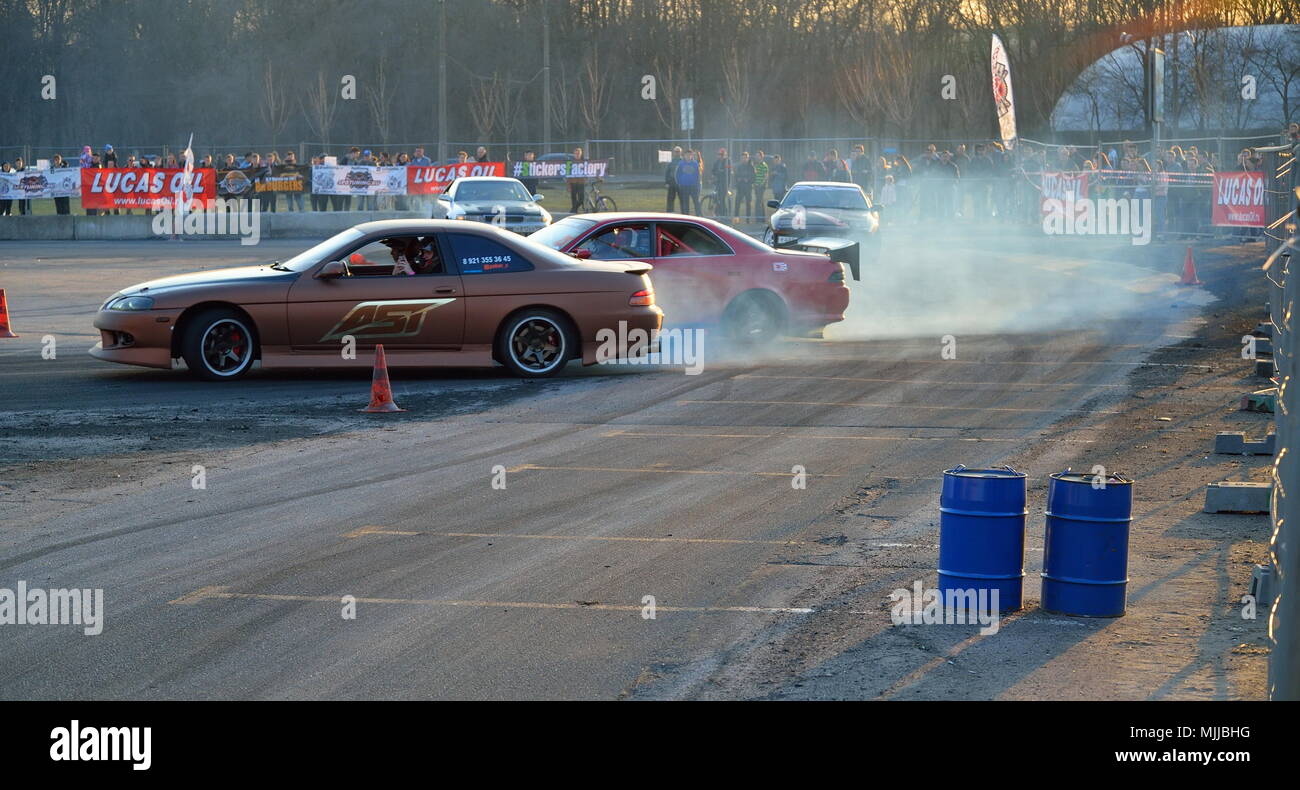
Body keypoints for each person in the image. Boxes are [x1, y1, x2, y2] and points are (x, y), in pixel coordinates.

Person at [675, 149, 702, 215]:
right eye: (686, 155)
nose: (688, 156)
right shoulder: (681, 163)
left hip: (693, 186)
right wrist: (679, 183)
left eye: (690, 155)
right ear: (684, 155)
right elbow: (677, 174)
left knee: (696, 202)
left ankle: (698, 216)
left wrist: (697, 184)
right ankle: (686, 217)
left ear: (692, 156)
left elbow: (698, 175)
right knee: (685, 203)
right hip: (684, 186)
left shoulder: (695, 163)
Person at [733, 151, 755, 220]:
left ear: (748, 158)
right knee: (737, 203)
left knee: (748, 203)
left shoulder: (751, 166)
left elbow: (753, 177)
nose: (744, 159)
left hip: (748, 187)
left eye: (745, 158)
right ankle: (736, 218)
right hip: (740, 187)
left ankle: (747, 219)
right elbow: (736, 175)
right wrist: (738, 179)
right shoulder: (739, 166)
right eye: (742, 158)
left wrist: (748, 180)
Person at [710, 147, 732, 217]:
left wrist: (720, 172)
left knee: (722, 198)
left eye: (722, 154)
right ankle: (719, 213)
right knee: (717, 198)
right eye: (719, 154)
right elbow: (713, 171)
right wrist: (715, 175)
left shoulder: (728, 161)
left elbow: (728, 171)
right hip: (717, 183)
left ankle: (724, 213)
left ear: (725, 155)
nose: (720, 156)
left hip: (725, 183)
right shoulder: (717, 162)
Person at [568, 147, 587, 213]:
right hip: (572, 183)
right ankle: (574, 211)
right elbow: (567, 174)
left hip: (581, 182)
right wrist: (568, 185)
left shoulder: (584, 162)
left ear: (581, 154)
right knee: (573, 198)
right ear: (574, 154)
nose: (577, 155)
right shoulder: (569, 162)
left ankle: (573, 209)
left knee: (581, 199)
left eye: (579, 153)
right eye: (576, 153)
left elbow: (590, 170)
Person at [664, 146, 683, 212]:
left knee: (682, 199)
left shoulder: (683, 161)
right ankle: (670, 213)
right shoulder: (670, 161)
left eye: (678, 151)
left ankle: (684, 213)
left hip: (681, 183)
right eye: (676, 151)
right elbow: (667, 172)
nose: (677, 153)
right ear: (673, 152)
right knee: (670, 199)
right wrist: (666, 182)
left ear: (681, 152)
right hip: (671, 182)